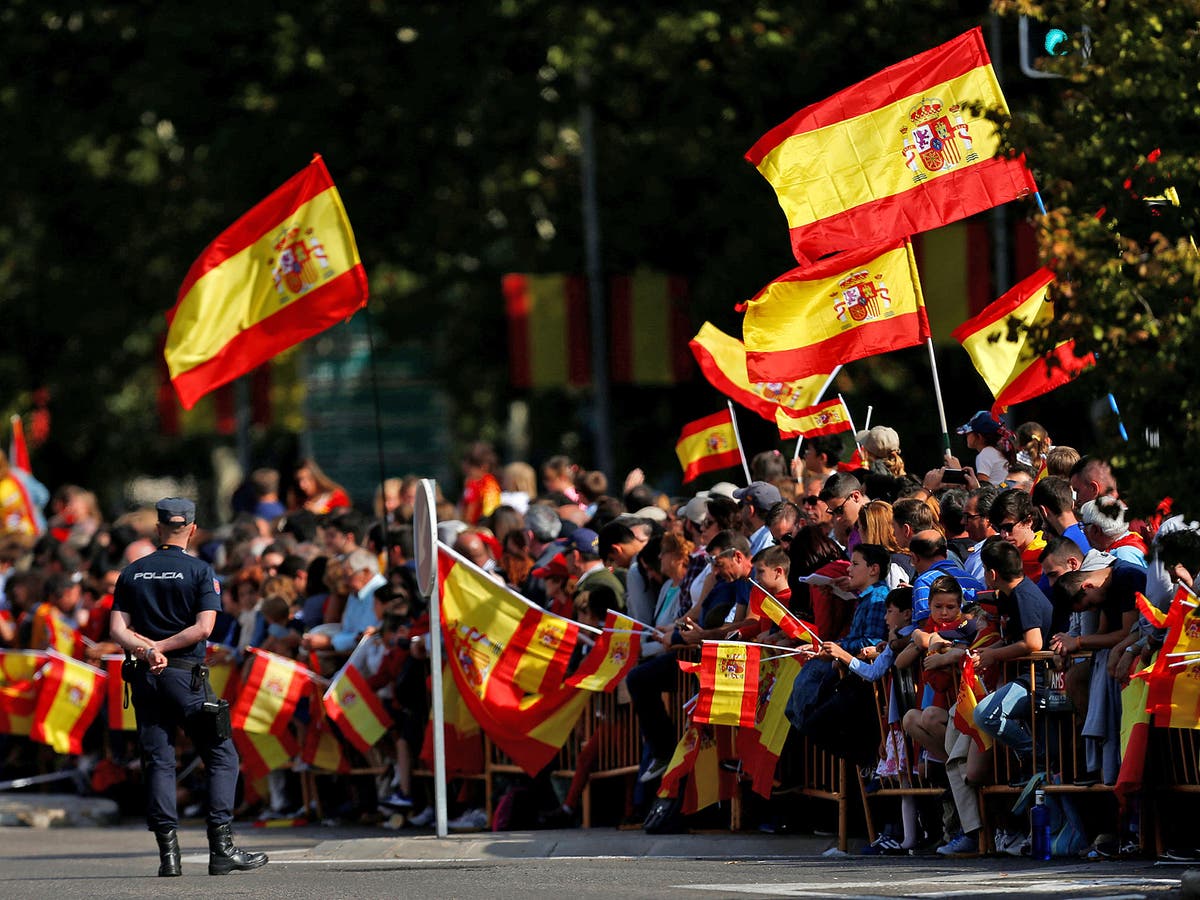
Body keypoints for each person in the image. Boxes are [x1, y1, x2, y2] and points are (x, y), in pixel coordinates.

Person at [109, 497, 267, 878]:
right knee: (221, 754)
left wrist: (148, 650)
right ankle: (221, 848)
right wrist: (162, 648)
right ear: (193, 529)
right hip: (186, 677)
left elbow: (117, 629)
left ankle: (169, 856)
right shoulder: (200, 571)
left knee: (158, 761)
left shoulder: (132, 572)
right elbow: (204, 628)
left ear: (158, 528)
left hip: (146, 677)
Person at [954, 411, 1011, 485]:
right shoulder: (1000, 451)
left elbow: (983, 490)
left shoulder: (985, 455)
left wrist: (957, 471)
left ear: (979, 436)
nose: (966, 435)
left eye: (969, 432)